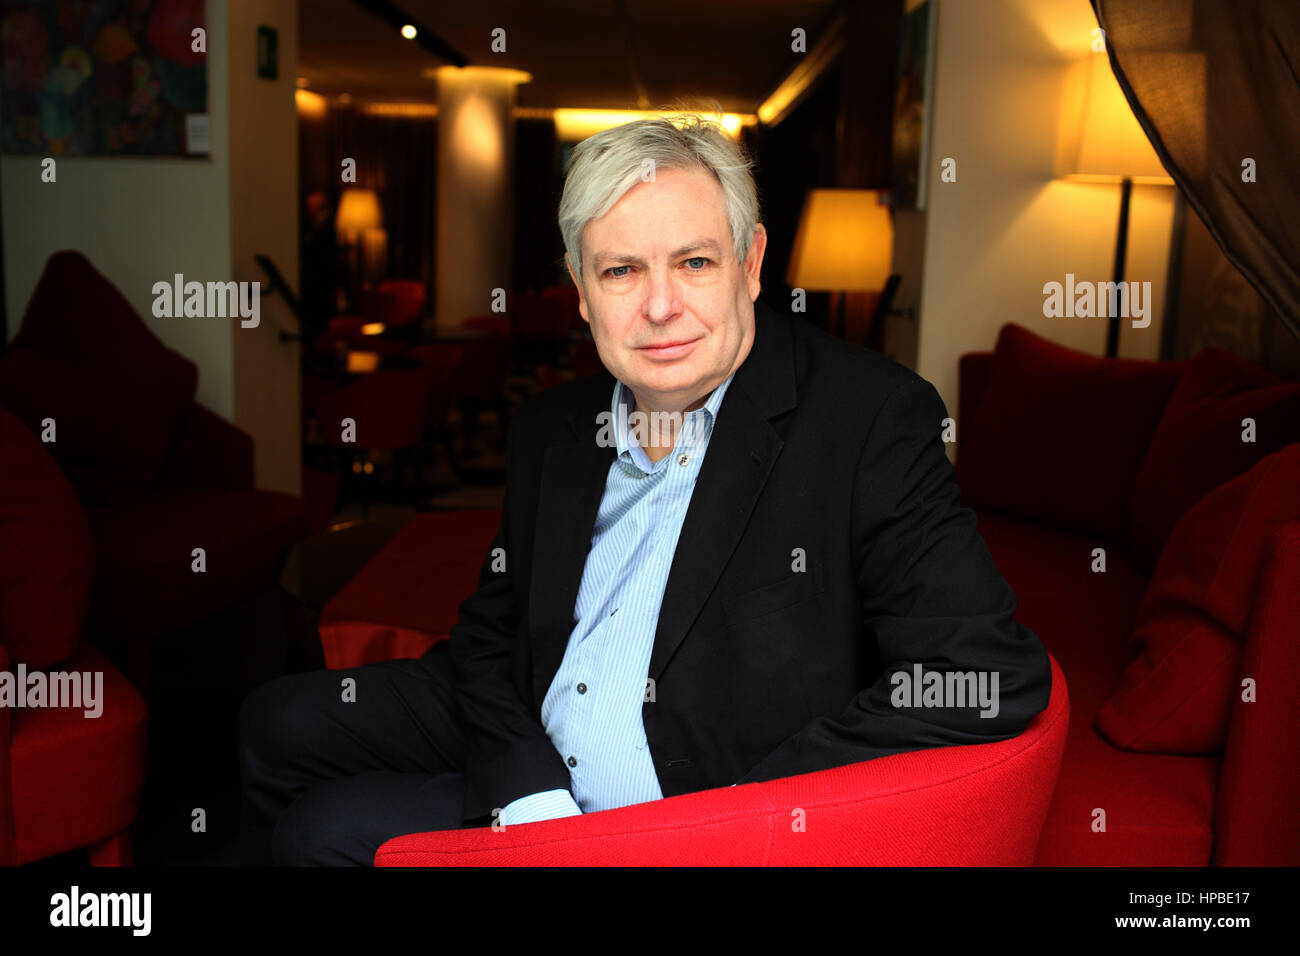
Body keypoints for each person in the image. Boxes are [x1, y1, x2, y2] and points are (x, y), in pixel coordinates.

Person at [238, 113, 1051, 865]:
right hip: (537, 721)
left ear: (752, 263)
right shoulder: (552, 423)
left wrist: (740, 810)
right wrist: (524, 792)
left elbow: (984, 673)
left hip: (678, 798)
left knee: (323, 836)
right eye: (622, 270)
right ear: (581, 290)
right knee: (274, 722)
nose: (661, 307)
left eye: (694, 262)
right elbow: (492, 630)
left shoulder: (868, 418)